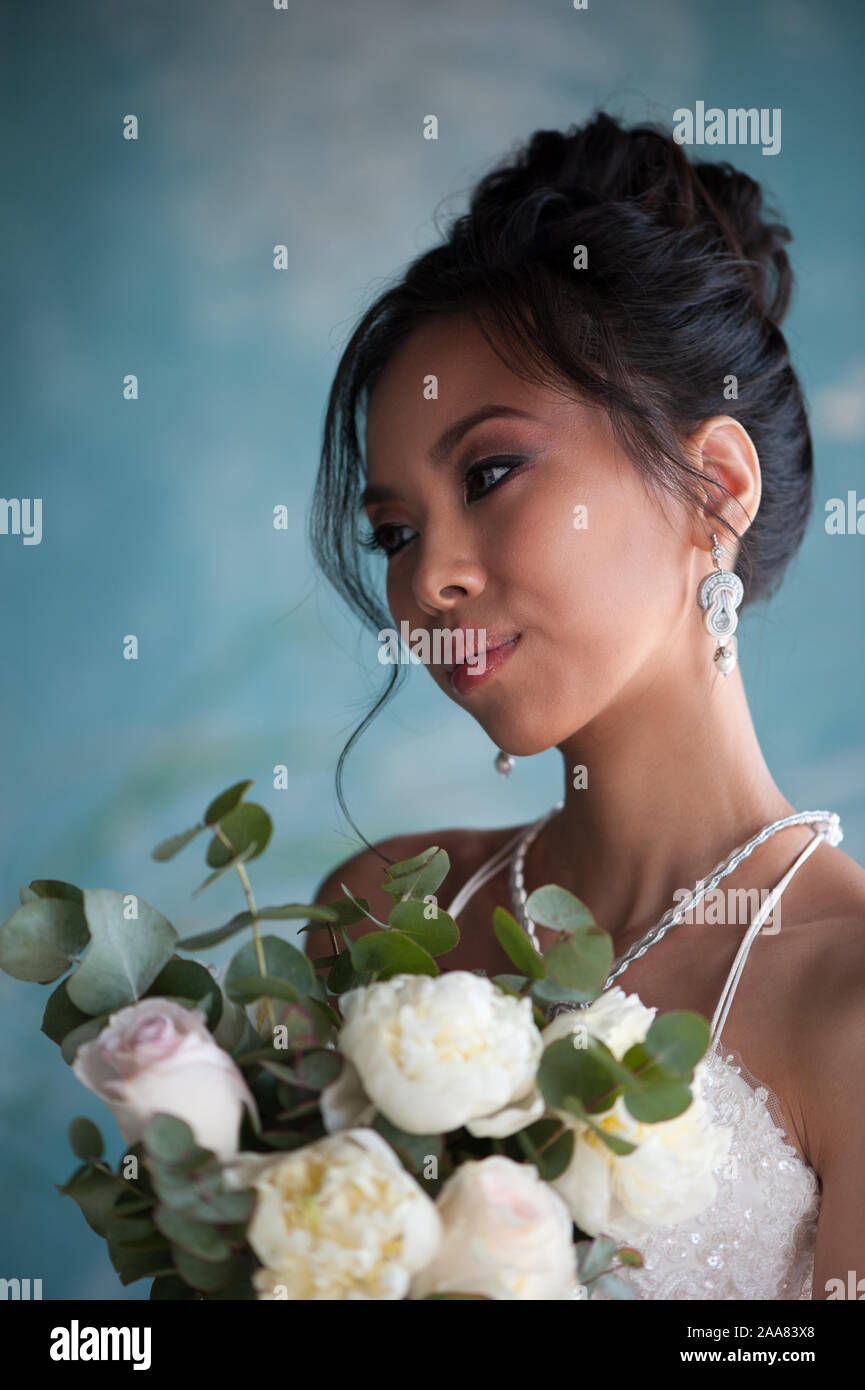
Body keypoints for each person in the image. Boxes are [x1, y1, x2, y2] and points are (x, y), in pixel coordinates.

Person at [302, 111, 865, 1299]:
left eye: (490, 473)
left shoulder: (849, 994)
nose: (425, 578)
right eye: (394, 533)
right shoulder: (374, 922)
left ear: (713, 488)